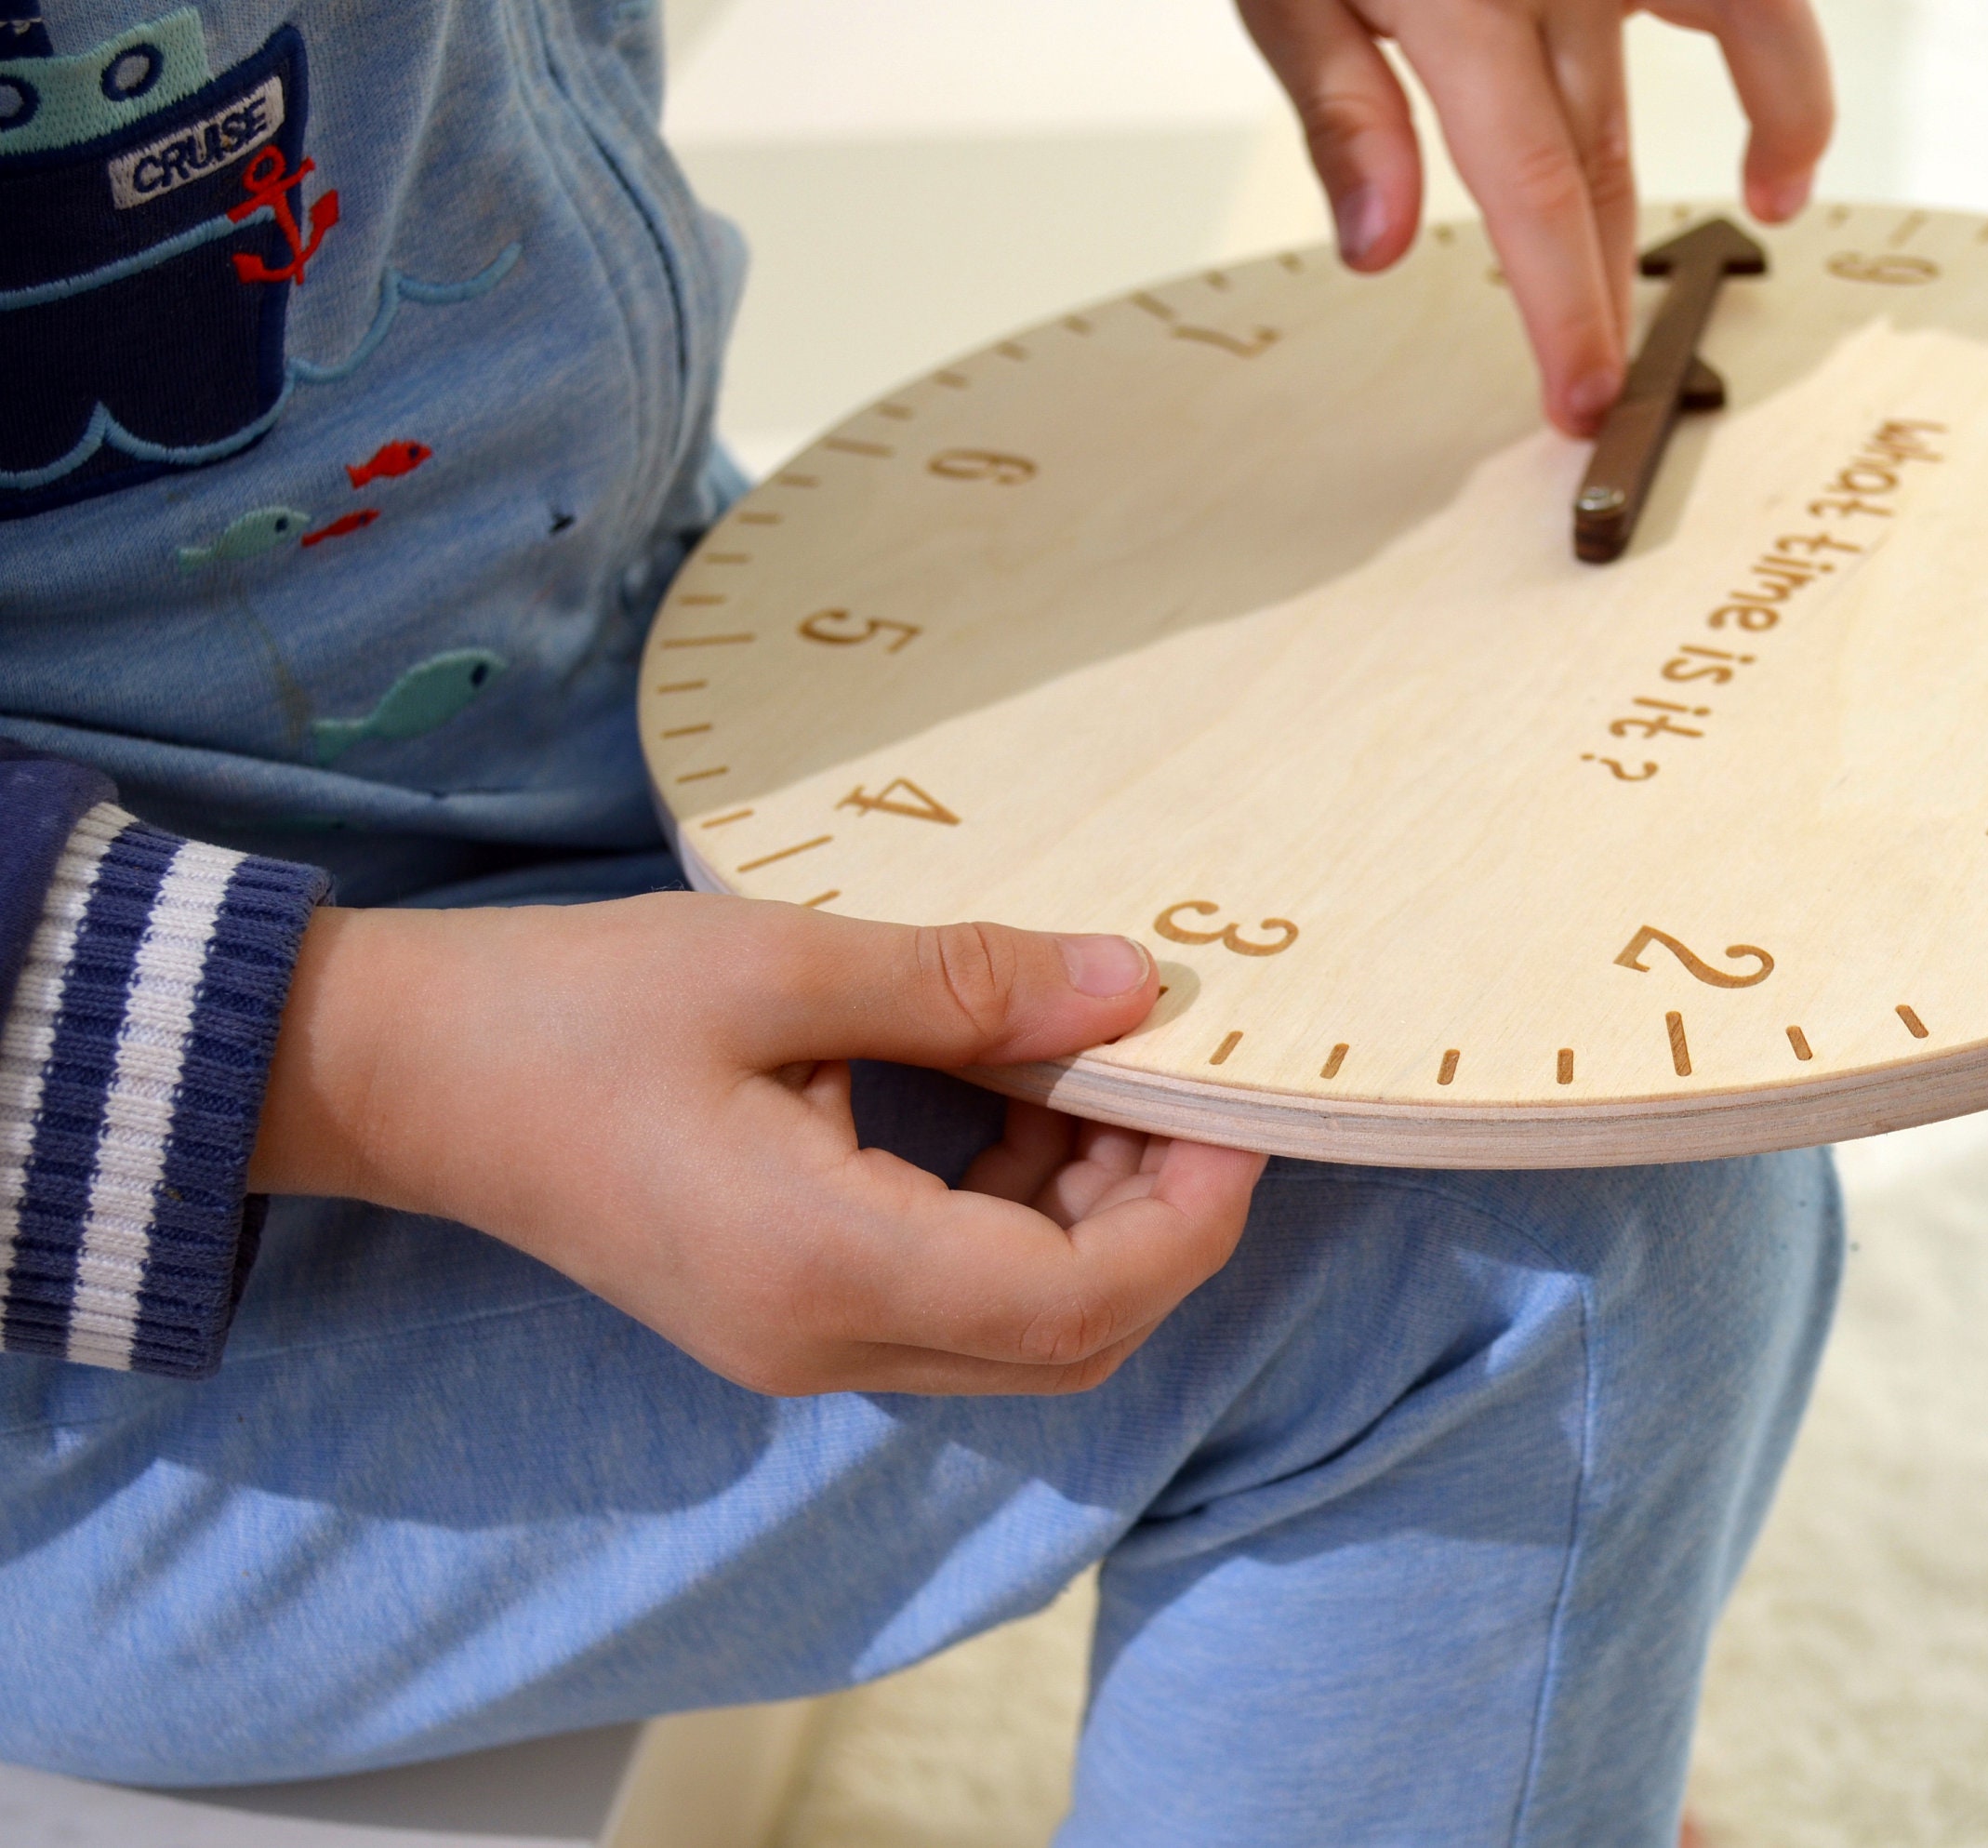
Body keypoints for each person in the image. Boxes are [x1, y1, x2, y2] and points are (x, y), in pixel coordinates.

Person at [0, 0, 1843, 1838]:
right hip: (123, 1298)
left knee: (1468, 859)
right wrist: (371, 1058)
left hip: (600, 697)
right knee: (1544, 1222)